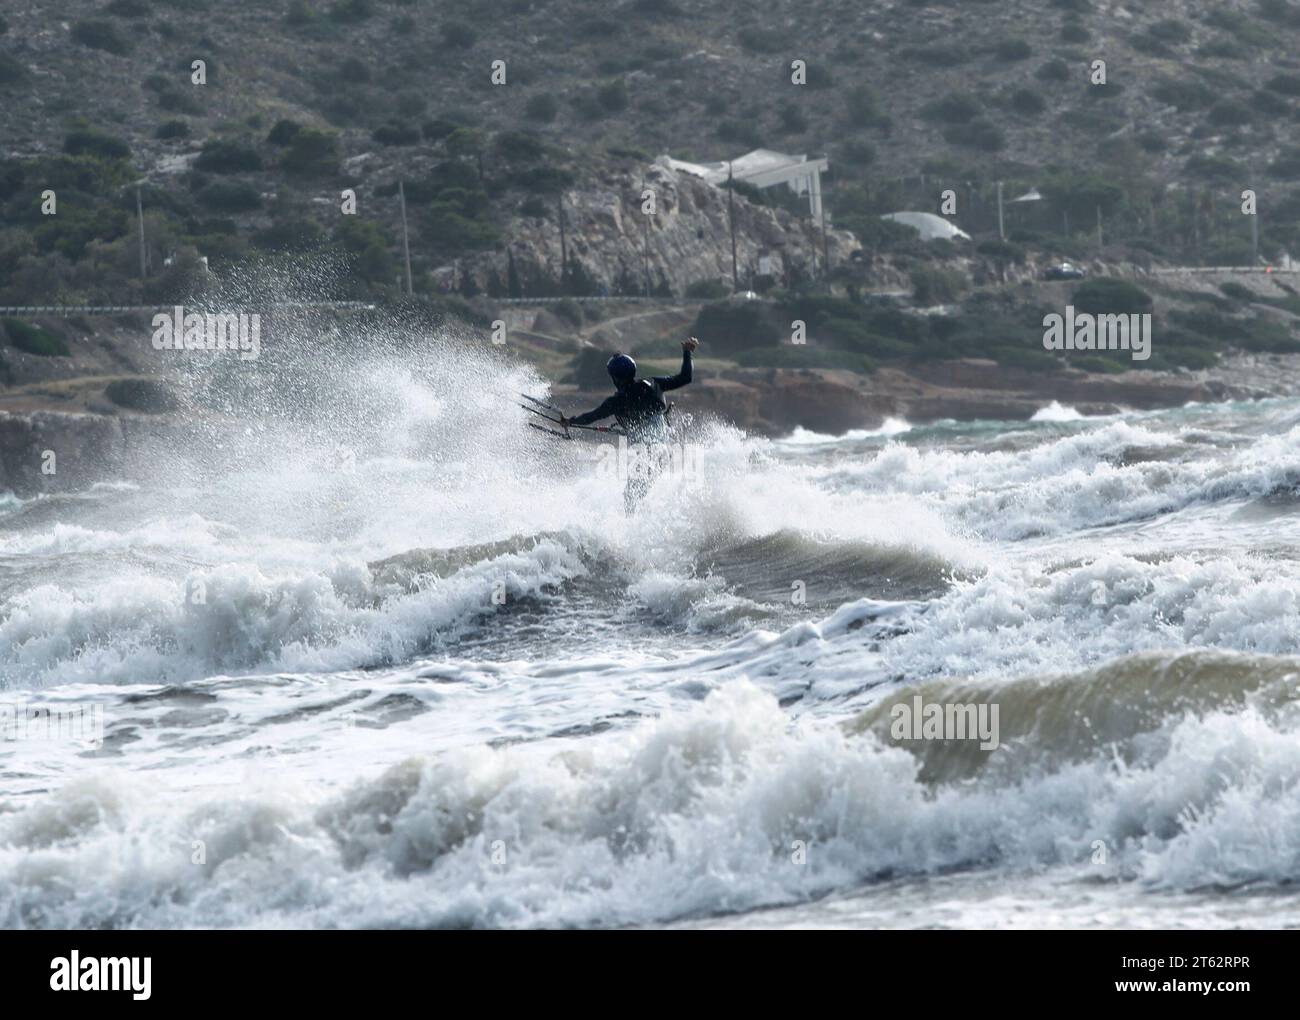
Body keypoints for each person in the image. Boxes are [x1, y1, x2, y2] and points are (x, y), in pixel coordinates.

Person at [563, 337, 699, 511]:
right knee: (647, 496)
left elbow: (591, 417)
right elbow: (685, 378)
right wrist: (687, 352)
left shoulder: (616, 402)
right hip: (666, 450)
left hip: (646, 454)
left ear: (615, 378)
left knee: (631, 499)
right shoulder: (653, 384)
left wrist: (569, 422)